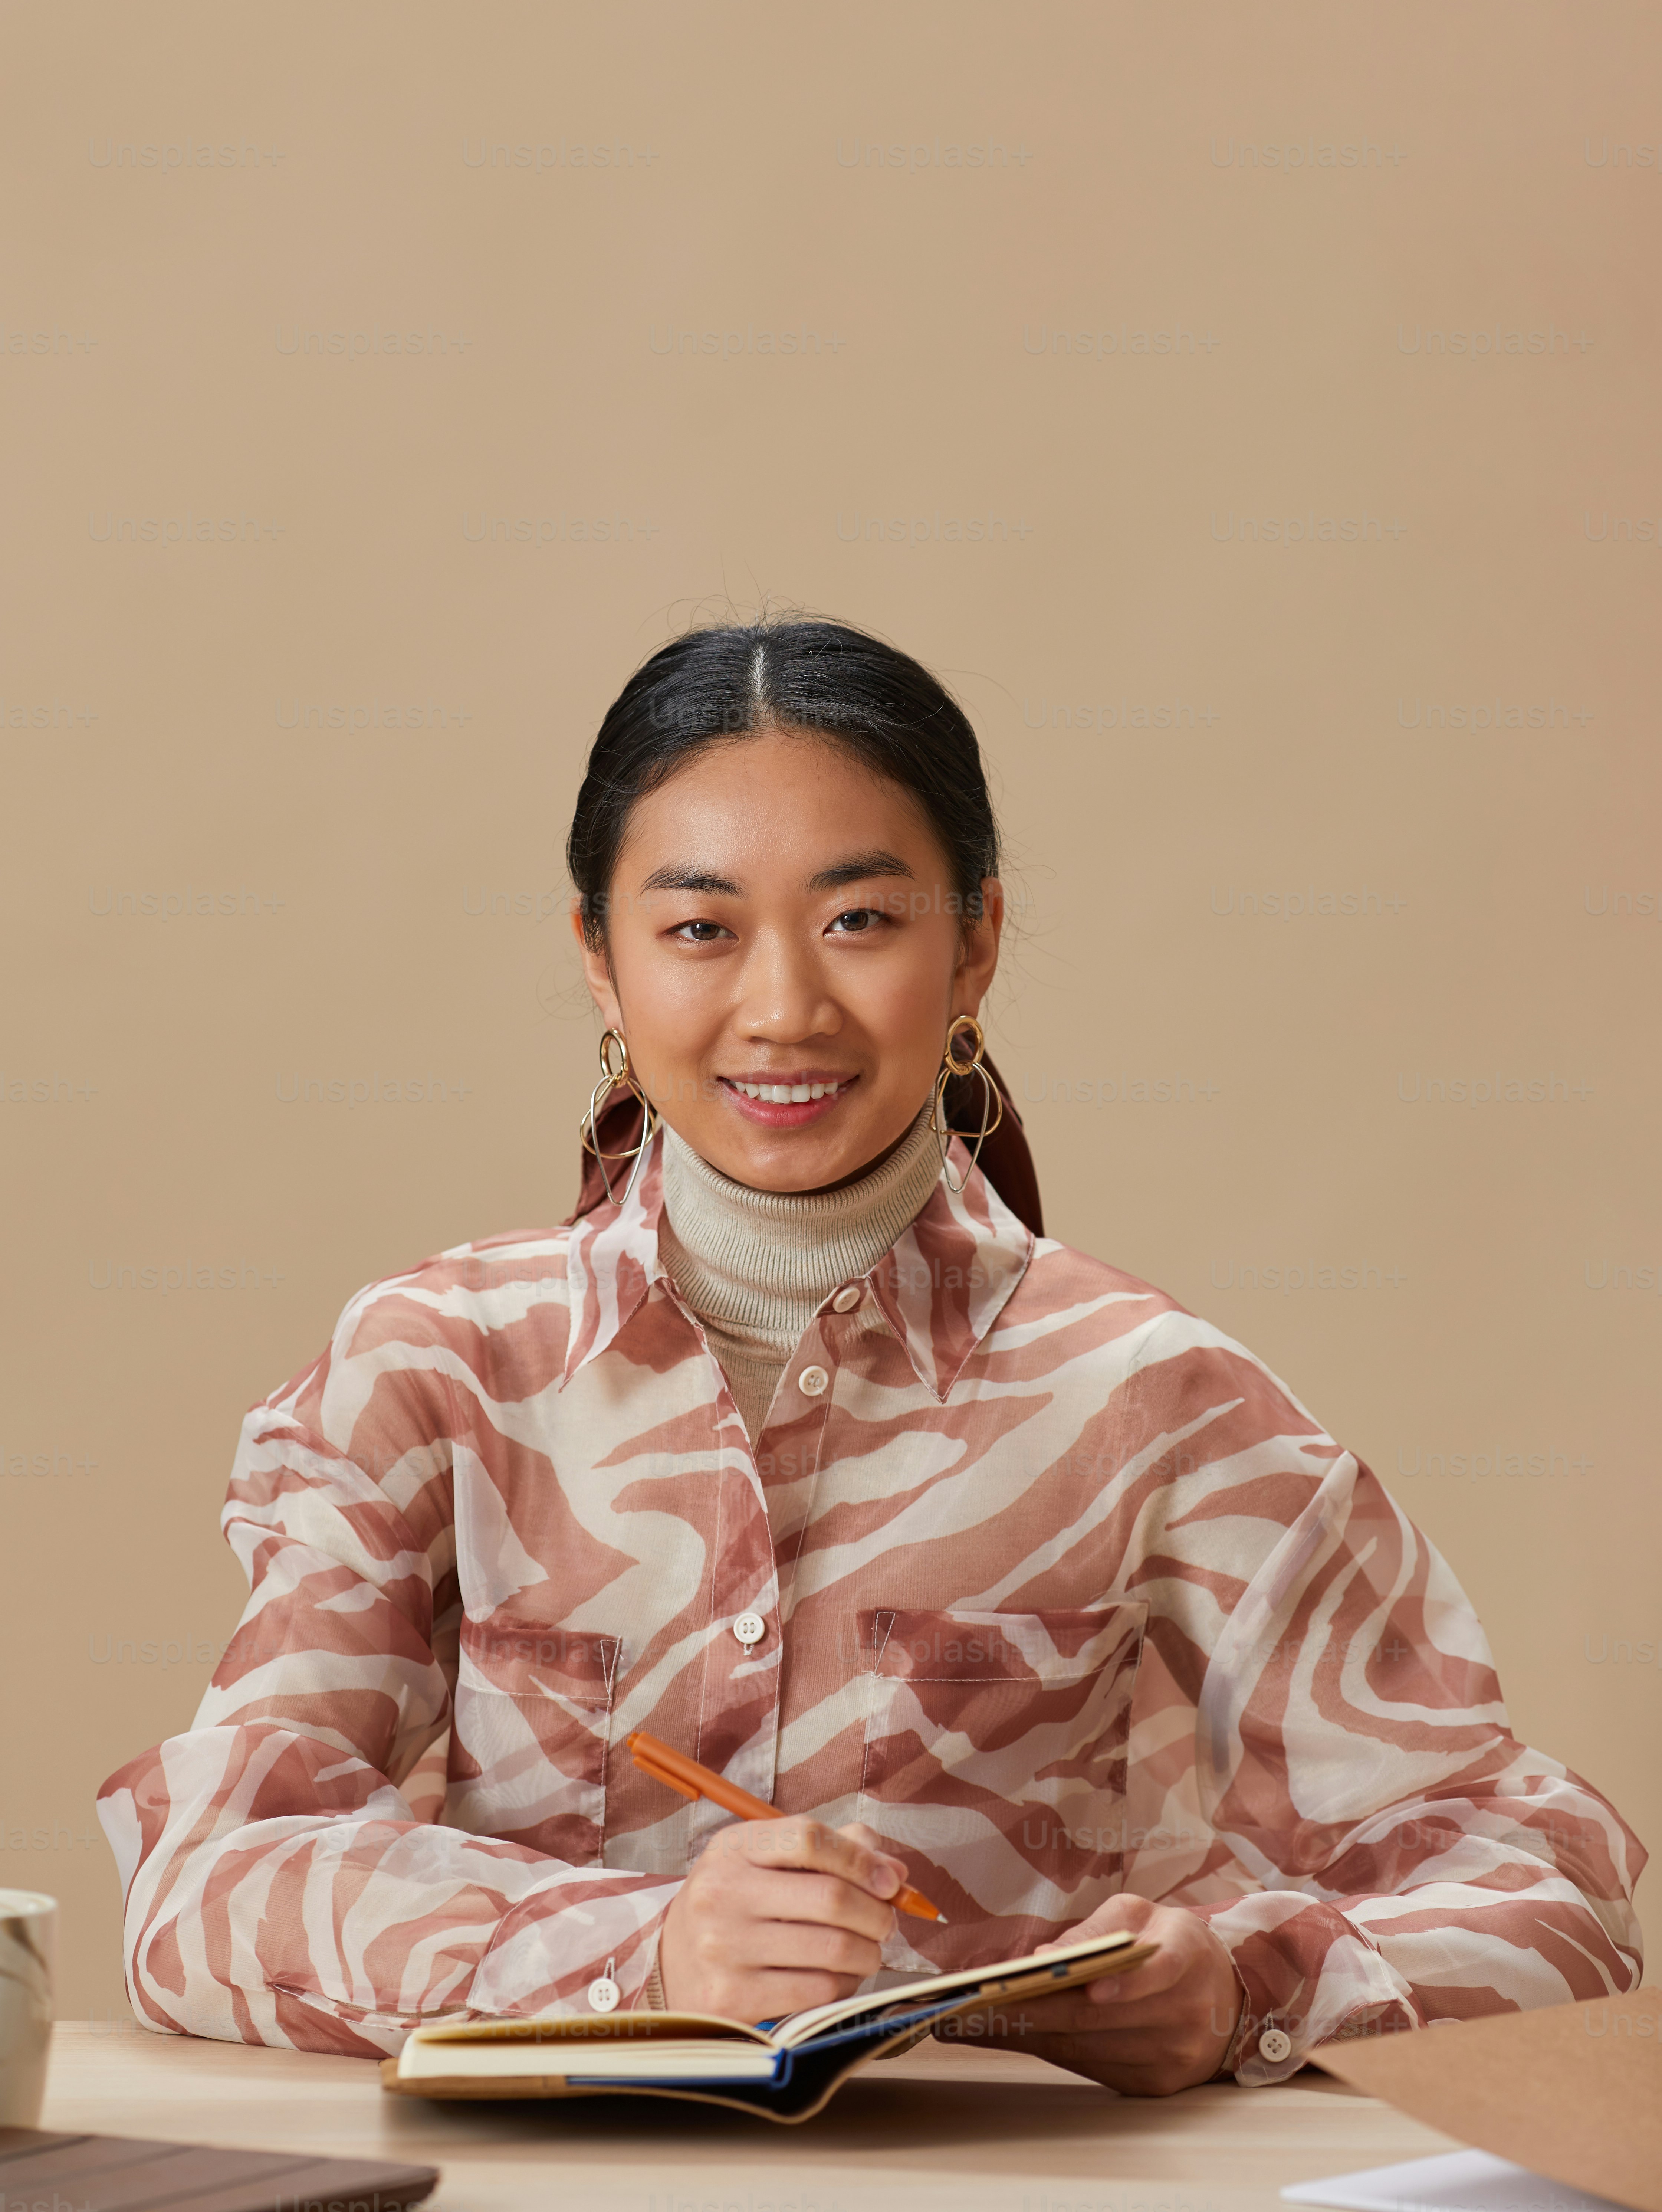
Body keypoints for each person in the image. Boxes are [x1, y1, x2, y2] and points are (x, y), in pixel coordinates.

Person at [98, 617, 1644, 2094]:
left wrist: (1245, 1982)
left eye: (860, 920)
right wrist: (639, 1952)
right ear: (597, 957)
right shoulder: (435, 1369)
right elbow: (210, 1879)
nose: (782, 1008)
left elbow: (1541, 1884)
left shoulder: (1150, 1397)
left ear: (971, 945)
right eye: (700, 928)